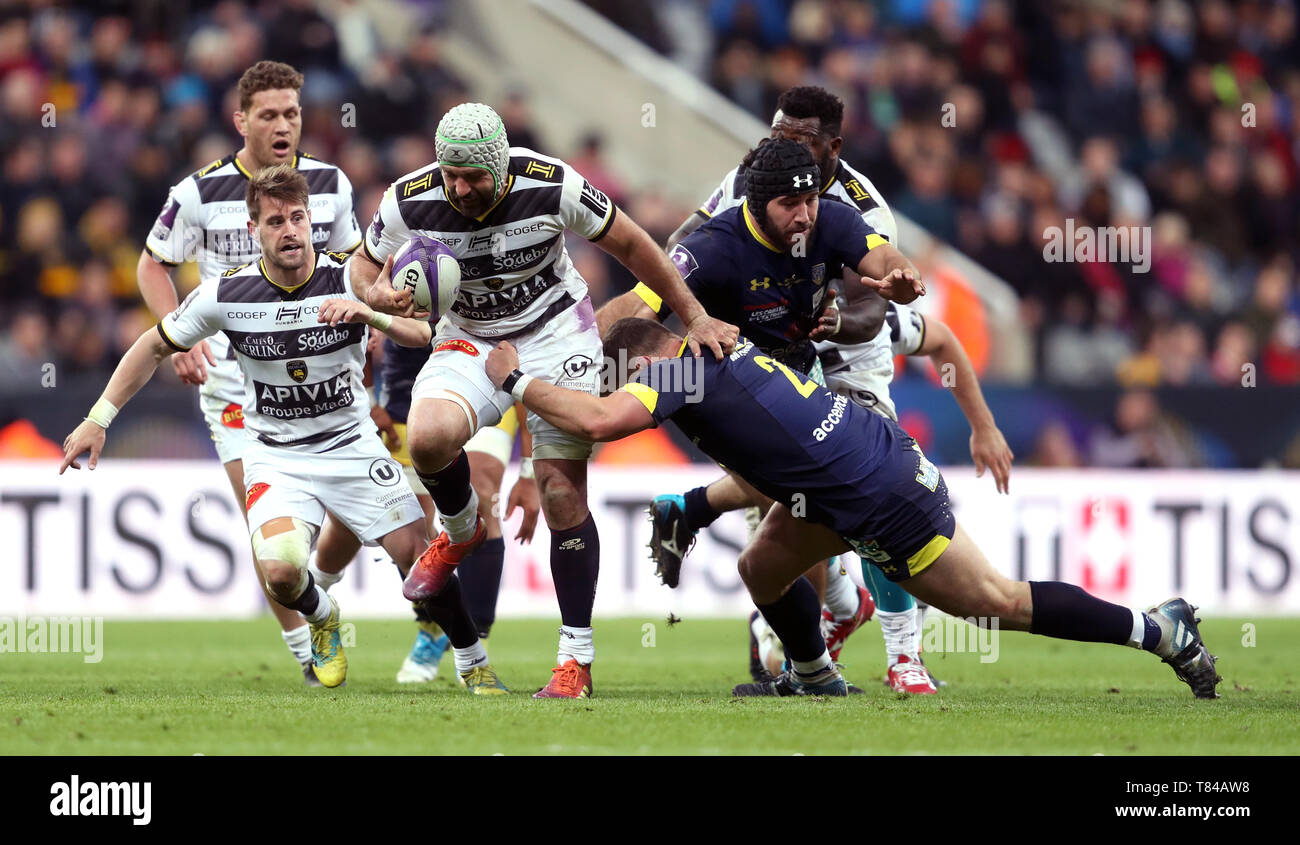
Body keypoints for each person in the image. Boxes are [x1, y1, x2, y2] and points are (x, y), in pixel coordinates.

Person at [483, 317, 1222, 701]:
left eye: (627, 379)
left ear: (640, 363)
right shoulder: (721, 353)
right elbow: (772, 461)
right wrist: (700, 507)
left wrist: (516, 383)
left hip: (878, 491)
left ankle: (1158, 629)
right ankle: (816, 679)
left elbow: (601, 420)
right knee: (762, 564)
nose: (632, 393)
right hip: (850, 463)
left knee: (997, 602)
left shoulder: (677, 368)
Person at [64, 165, 508, 694]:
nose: (291, 230)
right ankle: (323, 618)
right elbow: (154, 345)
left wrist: (370, 316)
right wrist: (98, 418)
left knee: (418, 557)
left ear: (312, 221)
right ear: (255, 231)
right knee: (280, 574)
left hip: (351, 448)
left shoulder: (349, 274)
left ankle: (473, 661)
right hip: (277, 458)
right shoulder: (227, 294)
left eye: (298, 217)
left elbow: (420, 330)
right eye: (276, 221)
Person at [351, 102, 737, 698]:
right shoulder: (410, 199)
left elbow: (634, 246)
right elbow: (364, 264)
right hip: (467, 336)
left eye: (475, 176)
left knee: (560, 491)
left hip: (557, 332)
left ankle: (575, 659)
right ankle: (458, 533)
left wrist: (695, 315)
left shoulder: (552, 183)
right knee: (427, 439)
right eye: (451, 174)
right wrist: (378, 294)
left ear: (502, 166)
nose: (461, 187)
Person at [596, 136, 938, 690]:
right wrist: (582, 358)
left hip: (807, 382)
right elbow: (639, 309)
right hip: (734, 398)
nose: (804, 215)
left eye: (811, 202)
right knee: (795, 522)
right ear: (755, 202)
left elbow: (882, 261)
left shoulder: (834, 216)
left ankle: (840, 644)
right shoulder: (714, 247)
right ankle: (829, 636)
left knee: (815, 510)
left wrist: (899, 273)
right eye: (789, 205)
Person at [136, 61, 362, 685]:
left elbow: (356, 264)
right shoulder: (197, 193)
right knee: (268, 530)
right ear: (241, 121)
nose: (283, 124)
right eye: (268, 114)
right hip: (237, 385)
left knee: (351, 511)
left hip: (328, 374)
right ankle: (309, 657)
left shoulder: (331, 184)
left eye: (292, 112)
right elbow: (151, 266)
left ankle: (322, 586)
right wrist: (179, 338)